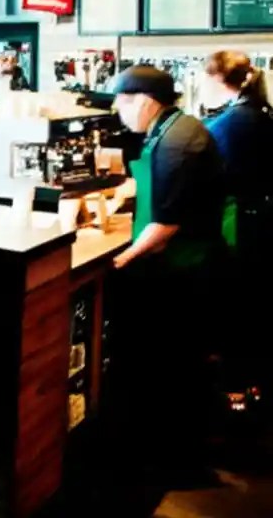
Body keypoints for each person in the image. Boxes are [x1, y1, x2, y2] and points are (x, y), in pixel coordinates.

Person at [106, 64, 225, 487]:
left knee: (175, 369)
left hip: (184, 271)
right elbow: (163, 190)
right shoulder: (175, 128)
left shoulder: (177, 144)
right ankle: (176, 455)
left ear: (143, 100)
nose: (119, 113)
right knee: (177, 367)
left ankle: (178, 465)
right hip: (189, 263)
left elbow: (166, 226)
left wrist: (122, 259)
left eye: (121, 103)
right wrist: (127, 191)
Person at [200, 51, 273, 392]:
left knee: (239, 303)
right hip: (261, 220)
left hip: (242, 223)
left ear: (217, 80)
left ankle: (238, 387)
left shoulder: (229, 123)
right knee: (254, 302)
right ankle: (252, 381)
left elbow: (207, 173)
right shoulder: (260, 112)